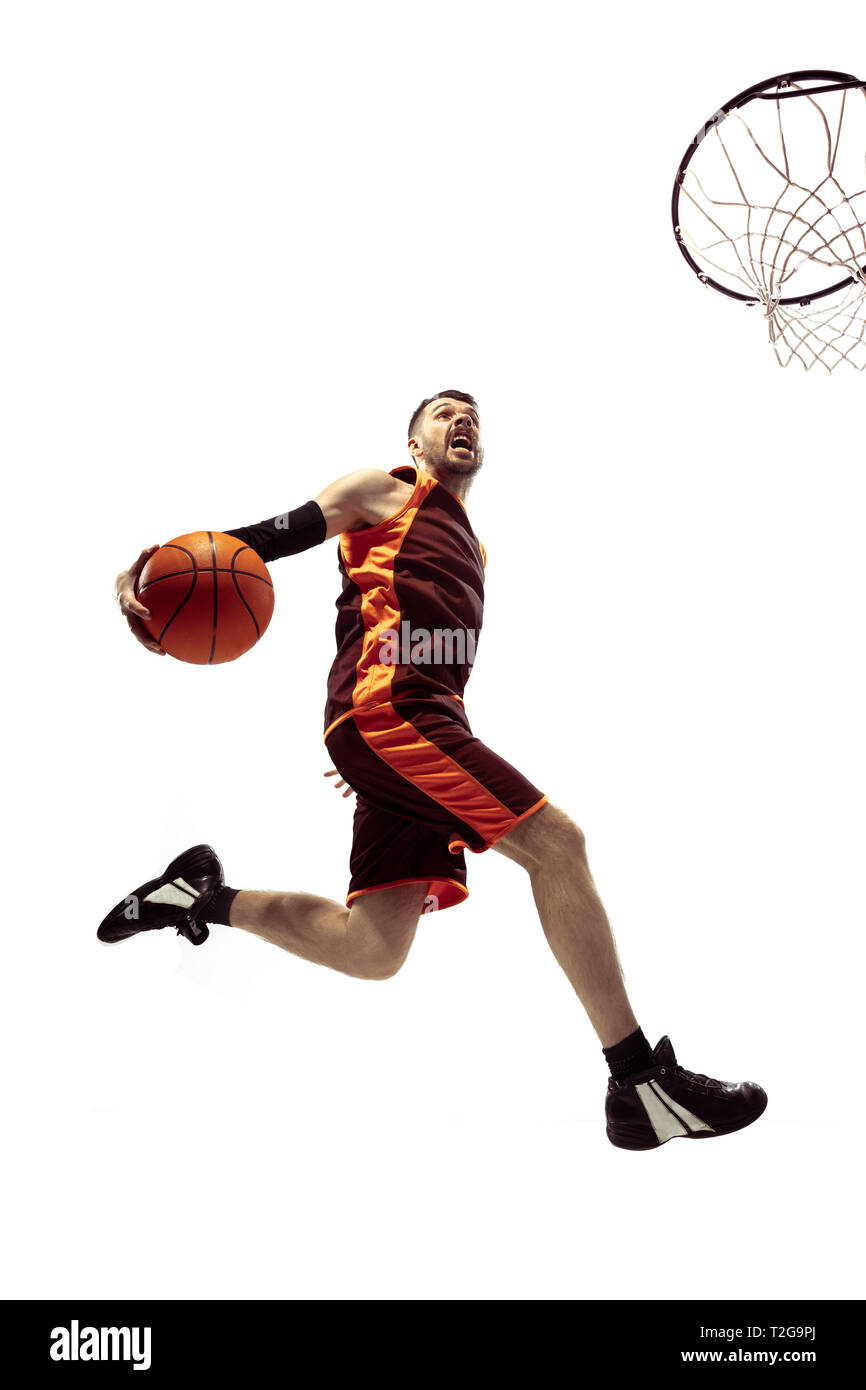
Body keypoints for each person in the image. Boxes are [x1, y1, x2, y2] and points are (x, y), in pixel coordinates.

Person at [100, 389, 767, 1151]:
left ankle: (201, 896)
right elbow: (250, 546)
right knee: (559, 845)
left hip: (410, 730)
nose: (462, 419)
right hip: (393, 716)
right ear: (412, 441)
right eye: (444, 411)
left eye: (471, 412)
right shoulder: (379, 491)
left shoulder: (472, 547)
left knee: (373, 950)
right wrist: (149, 572)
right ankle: (639, 1082)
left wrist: (387, 762)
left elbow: (412, 639)